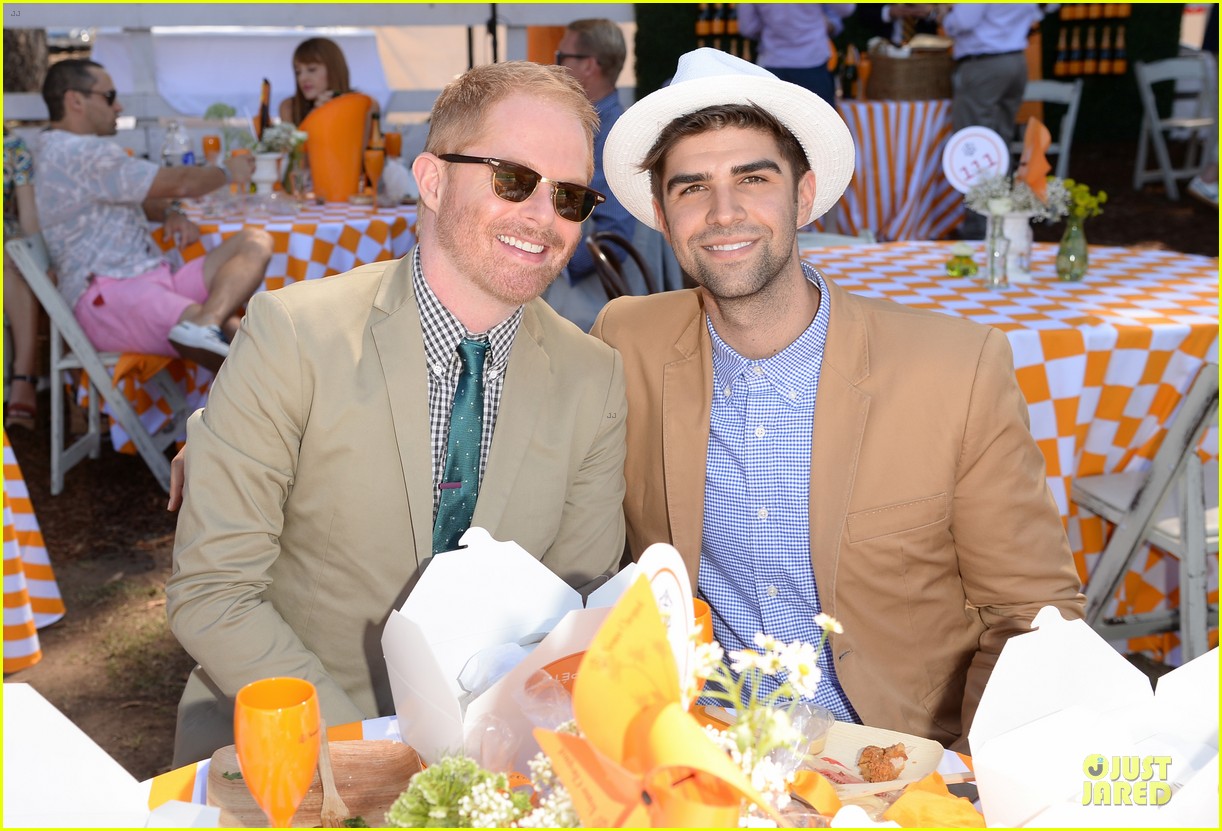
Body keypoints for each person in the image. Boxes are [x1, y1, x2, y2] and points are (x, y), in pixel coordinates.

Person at [591, 48, 1085, 751]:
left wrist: (965, 777)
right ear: (663, 217)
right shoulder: (626, 339)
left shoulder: (955, 371)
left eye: (753, 178)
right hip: (700, 747)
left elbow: (1033, 612)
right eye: (692, 187)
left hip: (894, 757)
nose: (724, 212)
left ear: (803, 195)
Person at [165, 60, 627, 765]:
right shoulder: (295, 335)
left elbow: (576, 613)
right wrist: (381, 759)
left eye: (569, 196)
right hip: (292, 738)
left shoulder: (594, 377)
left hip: (499, 758)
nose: (544, 217)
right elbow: (214, 592)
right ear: (433, 181)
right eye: (513, 179)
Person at [35, 59, 271, 374]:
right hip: (110, 294)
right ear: (74, 100)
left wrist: (171, 211)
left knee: (254, 242)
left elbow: (139, 196)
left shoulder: (62, 149)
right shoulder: (77, 152)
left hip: (147, 280)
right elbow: (180, 183)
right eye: (109, 96)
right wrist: (227, 172)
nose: (118, 106)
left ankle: (206, 323)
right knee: (238, 338)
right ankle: (213, 335)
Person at [543, 18, 641, 332]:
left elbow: (612, 237)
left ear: (589, 65)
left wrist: (549, 263)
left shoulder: (614, 137)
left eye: (561, 57)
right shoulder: (595, 127)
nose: (556, 66)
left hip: (588, 305)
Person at [939, 3, 1044, 239]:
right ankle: (1004, 220)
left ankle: (980, 226)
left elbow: (964, 21)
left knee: (974, 146)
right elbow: (1039, 11)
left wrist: (945, 18)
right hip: (1015, 61)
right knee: (1000, 143)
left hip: (984, 64)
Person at [736, 4, 857, 108]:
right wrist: (826, 22)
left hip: (773, 61)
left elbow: (748, 27)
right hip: (812, 61)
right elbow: (846, 8)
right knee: (820, 121)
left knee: (771, 122)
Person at [4, 130, 42, 429]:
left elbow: (28, 217)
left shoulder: (13, 147)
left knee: (16, 259)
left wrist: (39, 263)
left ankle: (23, 377)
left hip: (7, 242)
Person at [278, 36, 380, 125]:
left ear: (334, 69)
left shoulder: (366, 104)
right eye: (298, 72)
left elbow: (359, 141)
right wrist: (316, 114)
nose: (302, 78)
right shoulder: (289, 107)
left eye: (312, 69)